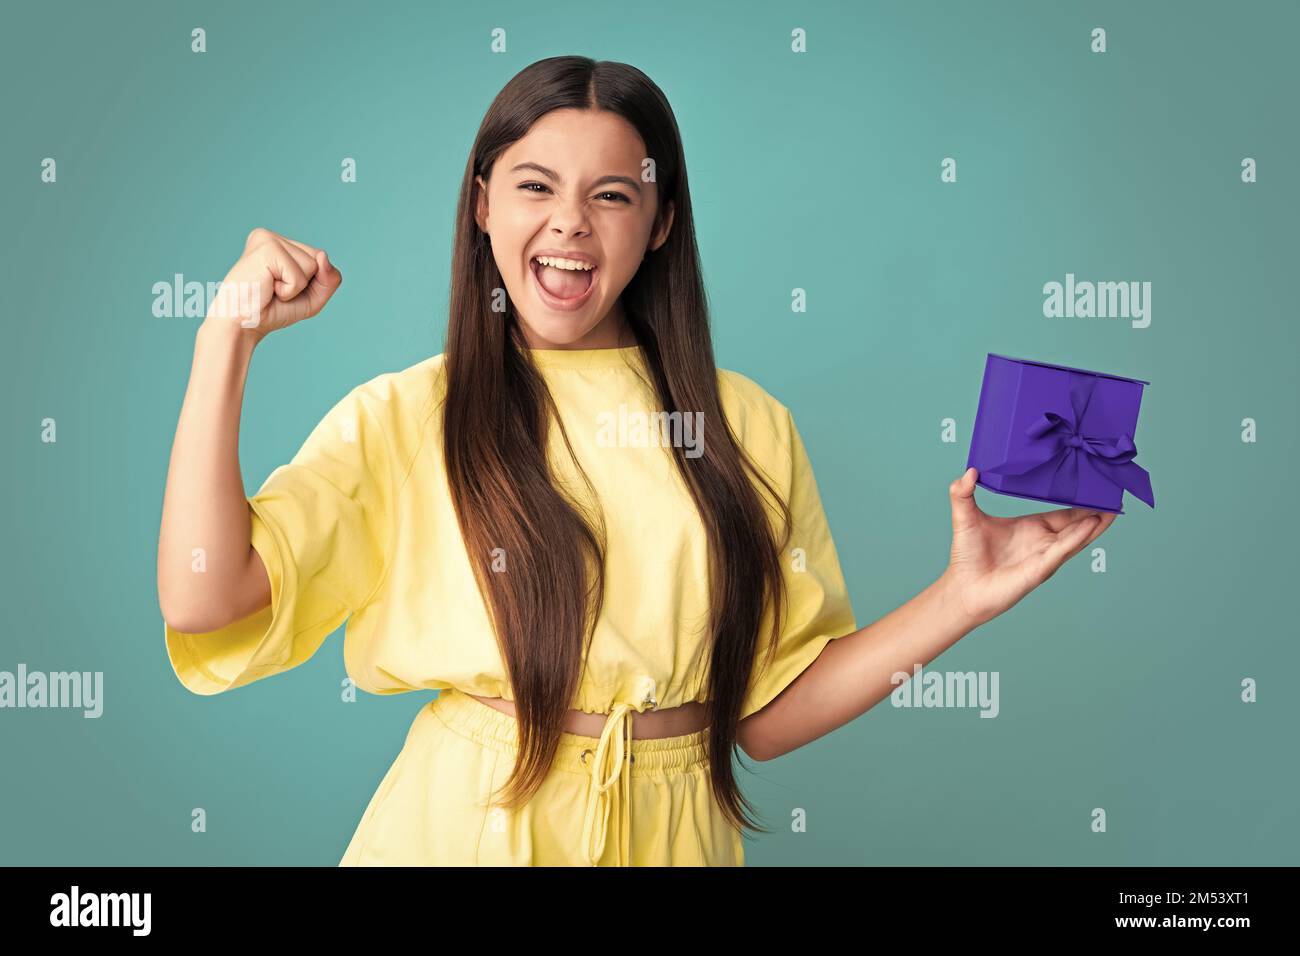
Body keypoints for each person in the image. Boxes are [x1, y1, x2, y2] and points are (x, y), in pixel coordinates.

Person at [156, 56, 1115, 867]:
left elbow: (762, 716)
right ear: (483, 205)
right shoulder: (410, 415)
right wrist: (225, 338)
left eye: (611, 194)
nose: (571, 222)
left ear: (658, 225)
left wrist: (963, 595)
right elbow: (204, 599)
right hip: (464, 832)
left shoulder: (746, 427)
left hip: (678, 832)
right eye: (535, 185)